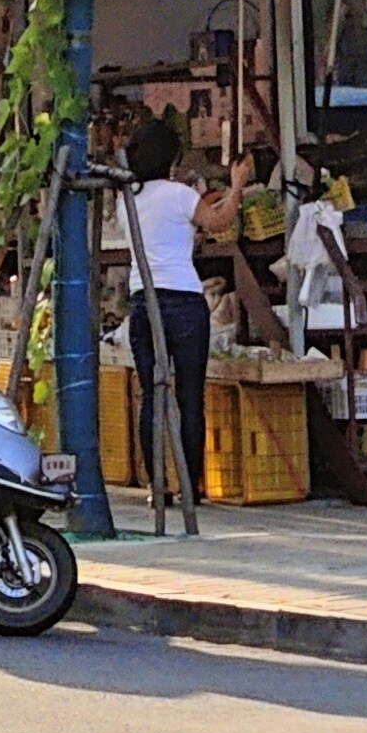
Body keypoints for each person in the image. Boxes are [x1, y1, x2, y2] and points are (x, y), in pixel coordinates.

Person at [121, 121, 248, 501]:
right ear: (170, 159)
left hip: (142, 300)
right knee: (189, 397)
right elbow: (219, 221)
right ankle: (190, 486)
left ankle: (155, 486)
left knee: (151, 395)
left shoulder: (127, 198)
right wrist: (238, 185)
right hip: (183, 300)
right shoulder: (178, 194)